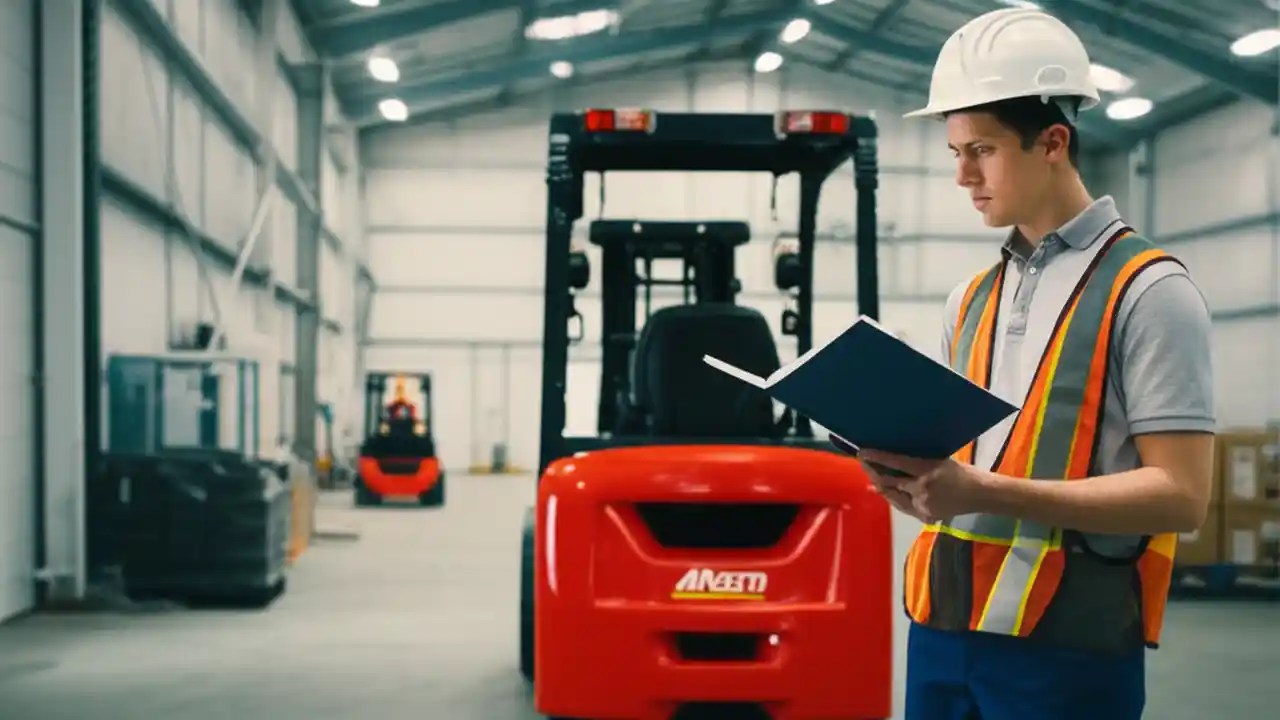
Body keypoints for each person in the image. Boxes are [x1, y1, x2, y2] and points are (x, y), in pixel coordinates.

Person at [846, 7, 1217, 720]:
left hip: (1067, 645)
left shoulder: (1151, 291)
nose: (962, 175)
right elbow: (965, 468)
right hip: (942, 630)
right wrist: (910, 479)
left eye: (980, 150)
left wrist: (985, 491)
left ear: (1053, 141)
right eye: (955, 151)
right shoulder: (972, 297)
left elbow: (1183, 496)